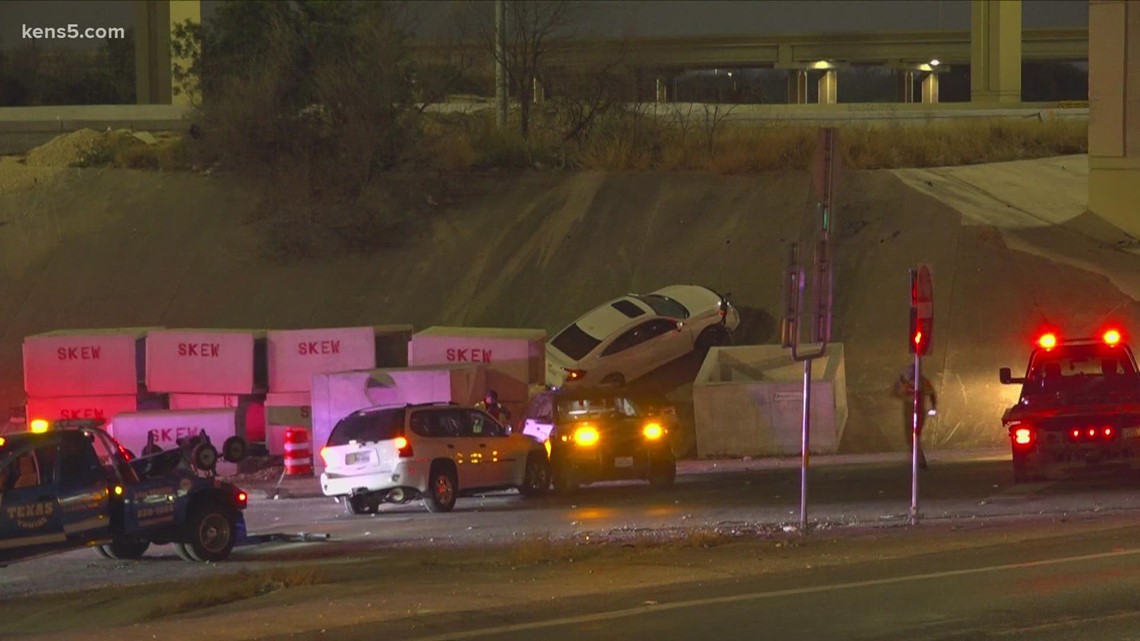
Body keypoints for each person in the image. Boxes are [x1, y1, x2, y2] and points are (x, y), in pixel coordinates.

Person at [892, 366, 936, 470]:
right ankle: (916, 458)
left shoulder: (921, 381)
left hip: (917, 411)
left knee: (914, 436)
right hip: (909, 412)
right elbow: (897, 392)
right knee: (910, 437)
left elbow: (931, 393)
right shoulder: (906, 382)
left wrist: (933, 407)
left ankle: (920, 461)